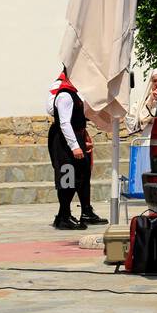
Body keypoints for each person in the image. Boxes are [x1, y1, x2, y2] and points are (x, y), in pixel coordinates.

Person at [46, 69, 107, 230]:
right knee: (67, 178)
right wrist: (74, 146)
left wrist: (81, 141)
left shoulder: (74, 93)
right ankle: (64, 216)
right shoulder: (65, 95)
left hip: (75, 137)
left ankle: (75, 214)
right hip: (64, 143)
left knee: (82, 174)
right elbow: (65, 123)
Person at [124, 67, 157, 136]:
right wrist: (151, 100)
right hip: (147, 139)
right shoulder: (142, 101)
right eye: (154, 81)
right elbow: (140, 121)